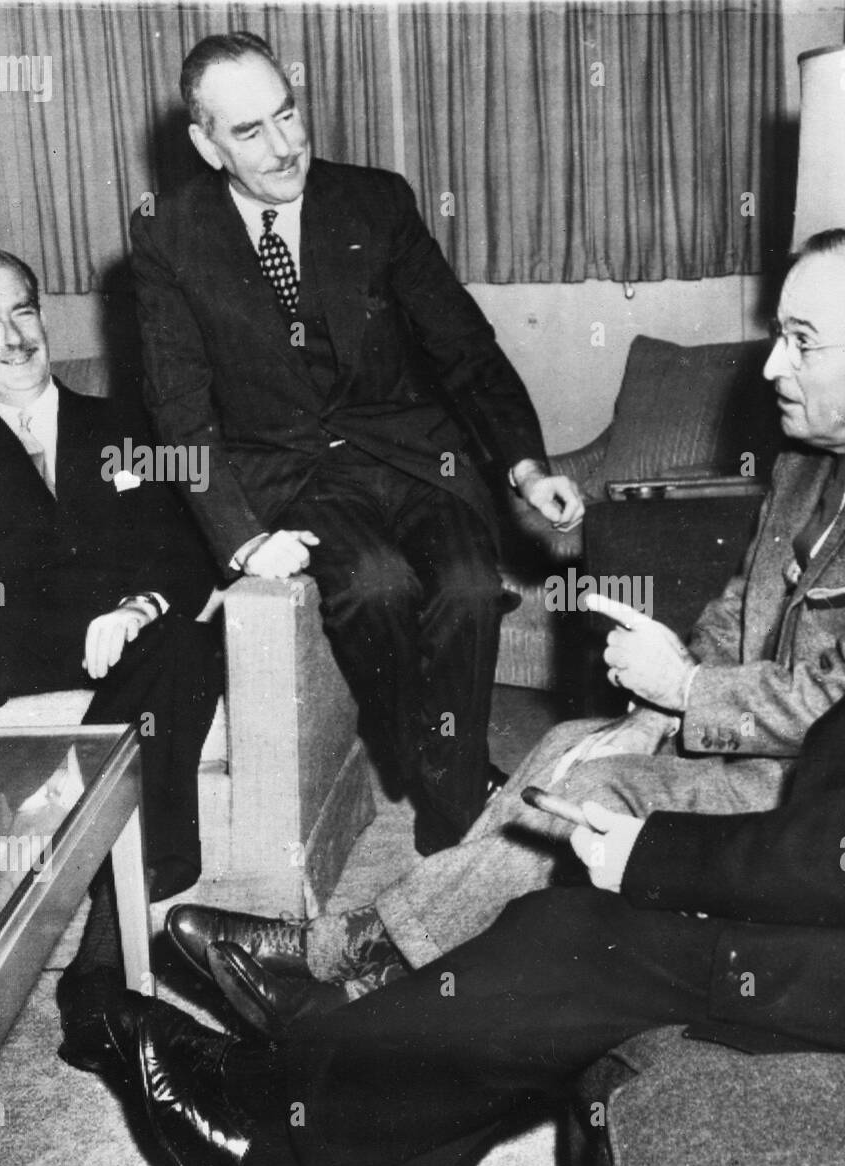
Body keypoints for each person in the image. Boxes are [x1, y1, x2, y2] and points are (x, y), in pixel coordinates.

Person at [124, 277, 845, 1166]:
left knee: (578, 936)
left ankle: (266, 1137)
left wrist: (656, 855)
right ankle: (304, 1141)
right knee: (566, 930)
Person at [163, 228, 845, 1035]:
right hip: (754, 743)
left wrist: (683, 690)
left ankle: (354, 980)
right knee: (565, 749)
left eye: (801, 343)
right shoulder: (807, 462)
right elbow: (736, 609)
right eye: (777, 338)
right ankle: (360, 954)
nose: (769, 368)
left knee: (590, 790)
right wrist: (652, 718)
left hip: (828, 790)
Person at [130, 32, 584, 855]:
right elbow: (177, 407)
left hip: (412, 454)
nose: (283, 146)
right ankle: (450, 791)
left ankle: (442, 802)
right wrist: (240, 539)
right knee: (374, 587)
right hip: (292, 476)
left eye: (289, 115)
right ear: (205, 144)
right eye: (249, 132)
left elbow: (463, 347)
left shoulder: (376, 201)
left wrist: (525, 463)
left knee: (473, 586)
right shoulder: (170, 235)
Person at [0, 249, 223, 1073]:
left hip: (124, 645)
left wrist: (137, 606)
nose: (13, 335)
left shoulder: (124, 427)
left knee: (184, 635)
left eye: (22, 311)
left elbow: (191, 550)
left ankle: (103, 945)